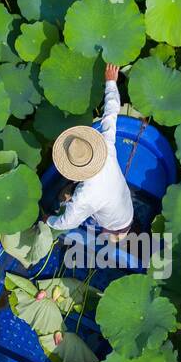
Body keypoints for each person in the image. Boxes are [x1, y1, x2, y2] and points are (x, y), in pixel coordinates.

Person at [46, 63, 135, 237]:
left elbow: (66, 223)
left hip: (111, 225)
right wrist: (111, 82)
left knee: (62, 198)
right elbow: (111, 114)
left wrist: (47, 219)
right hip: (126, 208)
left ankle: (116, 234)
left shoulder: (85, 197)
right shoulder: (106, 147)